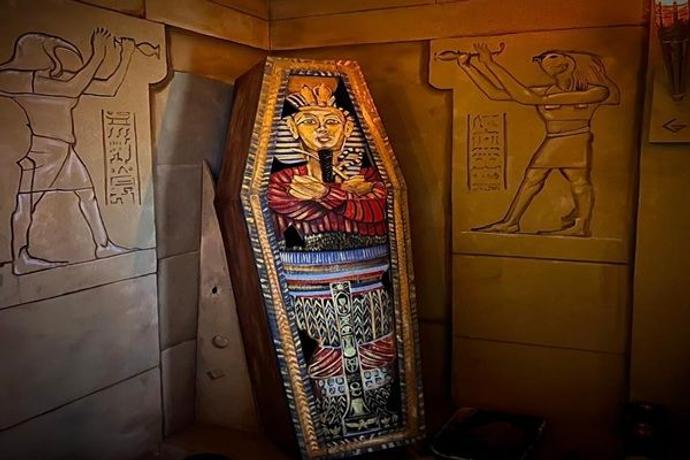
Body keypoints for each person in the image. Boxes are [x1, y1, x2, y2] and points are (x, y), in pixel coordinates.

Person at [267, 79, 399, 439]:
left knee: (376, 345)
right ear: (292, 130)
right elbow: (284, 204)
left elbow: (378, 210)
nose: (322, 130)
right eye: (310, 122)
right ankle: (330, 417)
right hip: (309, 283)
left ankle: (377, 413)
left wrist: (326, 195)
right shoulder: (284, 179)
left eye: (331, 122)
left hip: (369, 279)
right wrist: (343, 198)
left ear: (348, 128)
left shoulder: (369, 176)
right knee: (327, 350)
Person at [0, 28, 137, 274]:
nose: (56, 60)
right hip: (43, 152)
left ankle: (103, 245)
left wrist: (126, 56)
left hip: (65, 151)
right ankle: (20, 258)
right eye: (51, 53)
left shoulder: (57, 81)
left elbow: (108, 88)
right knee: (26, 203)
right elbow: (72, 88)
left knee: (87, 195)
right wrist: (98, 55)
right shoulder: (23, 80)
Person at [457, 43, 620, 236]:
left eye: (552, 58)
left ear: (568, 63)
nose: (544, 63)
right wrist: (467, 67)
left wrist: (491, 64)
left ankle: (579, 225)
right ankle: (511, 222)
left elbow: (528, 98)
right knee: (536, 179)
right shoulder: (545, 91)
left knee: (577, 182)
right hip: (555, 139)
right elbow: (495, 93)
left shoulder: (596, 91)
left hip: (575, 138)